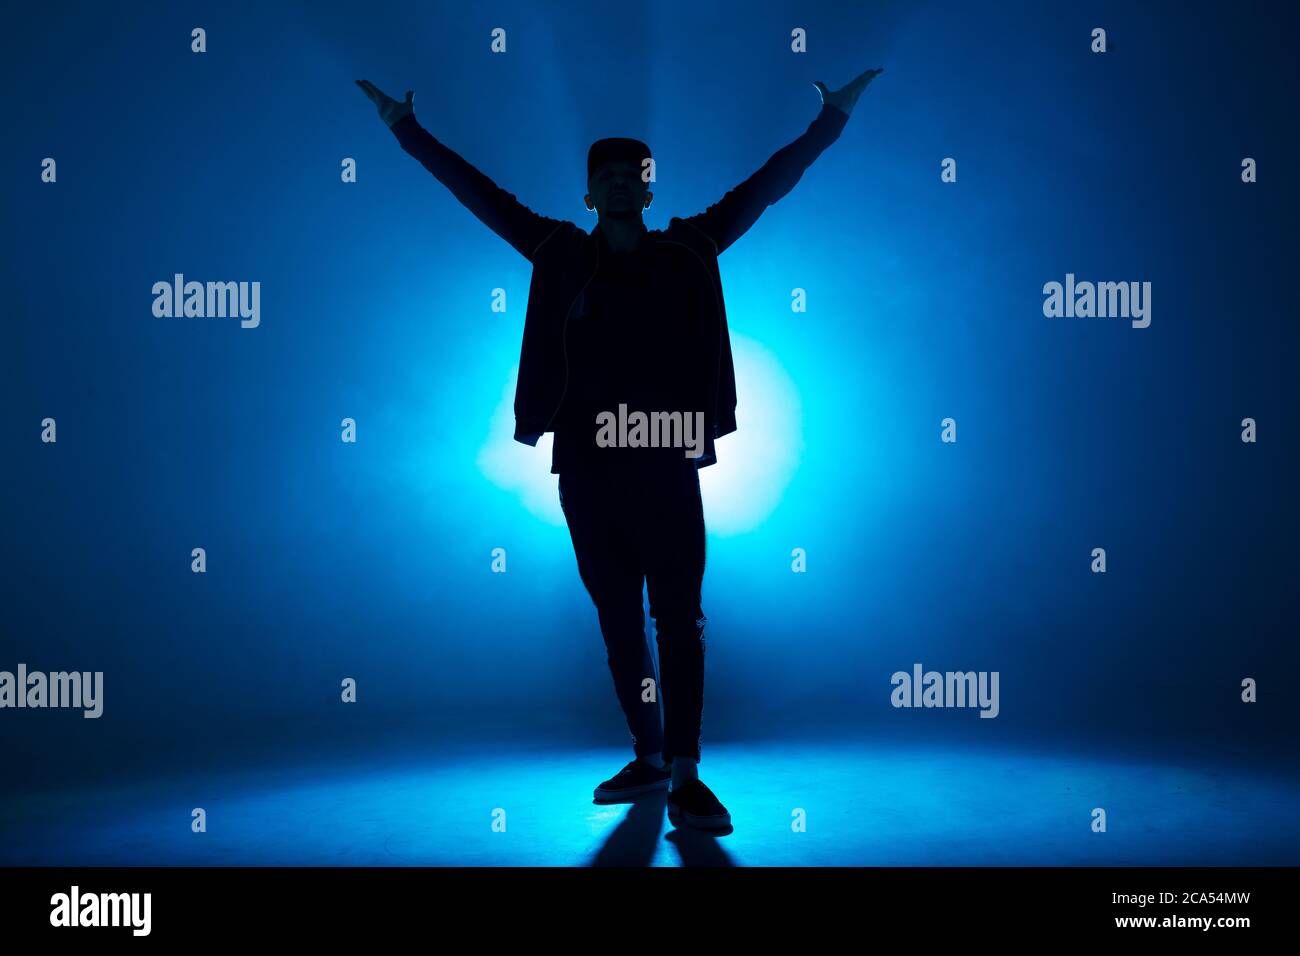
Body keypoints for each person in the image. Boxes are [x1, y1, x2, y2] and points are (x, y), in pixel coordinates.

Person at [357, 66, 882, 831]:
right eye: (605, 175)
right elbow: (475, 193)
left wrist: (829, 122)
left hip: (665, 461)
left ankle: (685, 772)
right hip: (588, 467)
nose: (619, 183)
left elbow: (768, 186)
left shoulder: (690, 248)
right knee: (617, 618)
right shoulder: (559, 251)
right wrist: (406, 129)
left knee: (678, 616)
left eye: (632, 174)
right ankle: (648, 751)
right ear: (588, 193)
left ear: (649, 188)